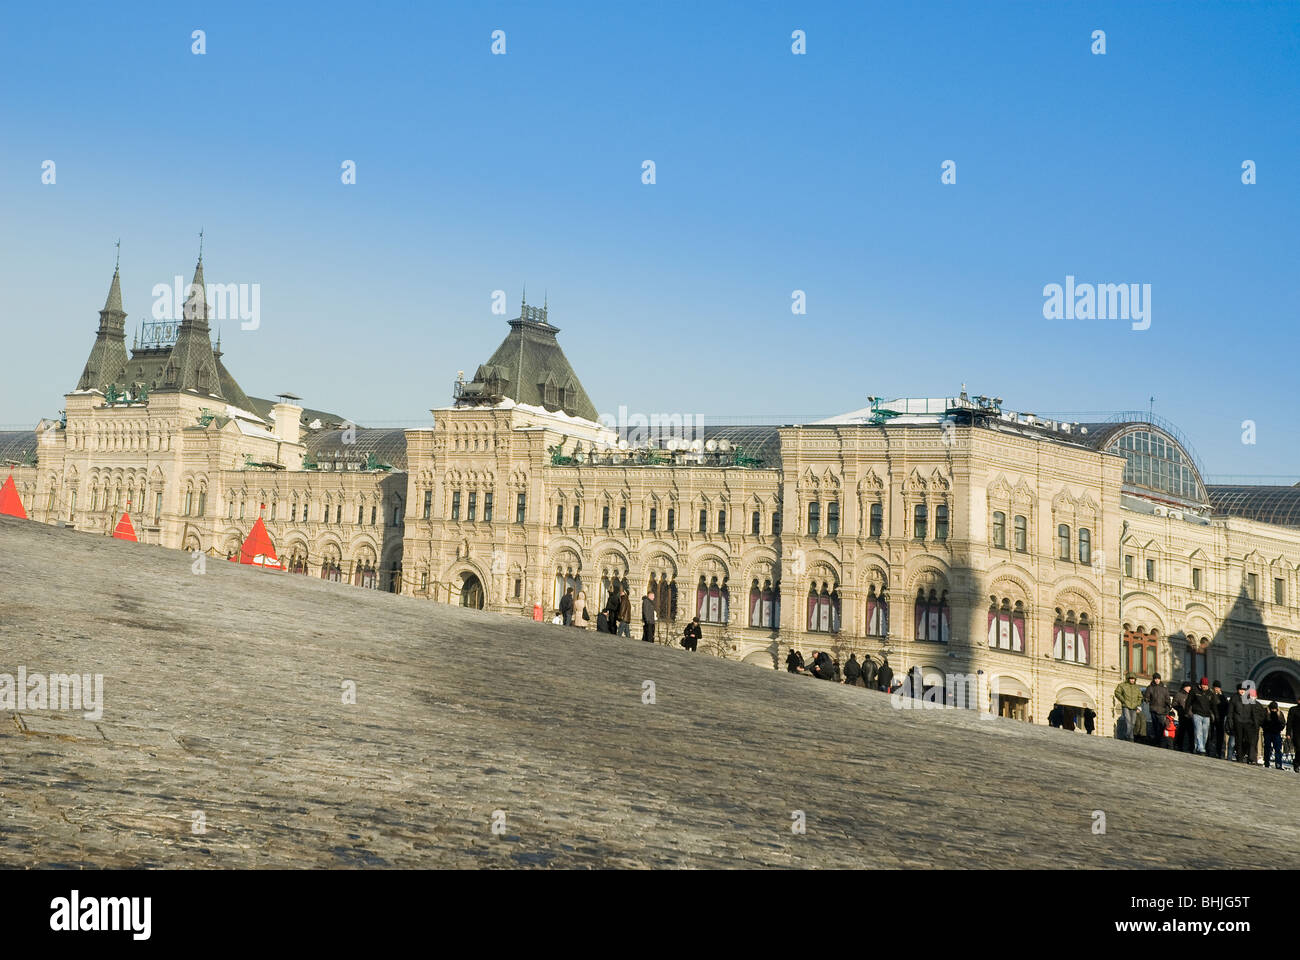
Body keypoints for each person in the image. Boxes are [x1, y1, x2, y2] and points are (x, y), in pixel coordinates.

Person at [1186, 677, 1215, 755]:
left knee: (1205, 733)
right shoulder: (1194, 691)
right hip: (1197, 714)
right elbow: (1188, 701)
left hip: (1206, 716)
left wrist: (1216, 715)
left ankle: (1197, 747)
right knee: (1198, 731)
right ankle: (1201, 748)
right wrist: (1186, 711)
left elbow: (1213, 705)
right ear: (1200, 685)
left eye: (1206, 685)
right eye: (1203, 685)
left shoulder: (1210, 693)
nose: (1205, 686)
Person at [1142, 673, 1172, 747]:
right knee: (1155, 726)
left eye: (1158, 679)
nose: (1157, 680)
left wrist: (1169, 707)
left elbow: (1167, 699)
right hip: (1153, 709)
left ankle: (1161, 741)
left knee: (1161, 726)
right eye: (1155, 679)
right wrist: (1146, 699)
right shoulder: (1150, 687)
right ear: (1153, 679)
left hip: (1162, 710)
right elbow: (1147, 696)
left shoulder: (1164, 689)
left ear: (1160, 679)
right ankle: (1157, 741)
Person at [1113, 672, 1143, 741]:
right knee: (1128, 721)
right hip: (1126, 706)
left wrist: (1138, 704)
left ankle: (1129, 736)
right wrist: (1123, 700)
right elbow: (1117, 692)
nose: (1132, 680)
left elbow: (1140, 697)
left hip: (1134, 707)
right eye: (1131, 679)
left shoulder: (1137, 688)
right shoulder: (1122, 685)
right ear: (1128, 679)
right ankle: (1129, 737)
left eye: (1133, 679)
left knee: (1133, 722)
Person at [1172, 681, 1194, 752]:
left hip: (1191, 716)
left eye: (1190, 687)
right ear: (1184, 687)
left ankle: (1191, 748)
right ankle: (1179, 746)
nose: (1189, 688)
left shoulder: (1191, 695)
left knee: (1191, 733)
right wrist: (1180, 710)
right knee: (1181, 732)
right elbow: (1174, 704)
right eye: (1188, 687)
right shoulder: (1178, 694)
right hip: (1182, 716)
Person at [1262, 701, 1286, 769]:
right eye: (1272, 709)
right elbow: (1262, 721)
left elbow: (1283, 723)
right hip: (1268, 733)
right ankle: (1266, 763)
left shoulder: (1279, 713)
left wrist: (1279, 729)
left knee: (1278, 749)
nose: (1273, 710)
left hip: (1276, 733)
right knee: (1267, 748)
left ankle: (1278, 764)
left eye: (1274, 709)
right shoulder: (1266, 712)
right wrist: (1266, 727)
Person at [1209, 681, 1228, 759]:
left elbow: (1226, 706)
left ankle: (1219, 751)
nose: (1217, 689)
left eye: (1218, 688)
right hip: (1212, 717)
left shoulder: (1223, 696)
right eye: (1216, 688)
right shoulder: (1210, 695)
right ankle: (1210, 750)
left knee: (1220, 736)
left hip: (1220, 718)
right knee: (1211, 734)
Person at [1288, 703, 1300, 773]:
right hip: (1297, 733)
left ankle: (1297, 762)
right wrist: (1288, 733)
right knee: (1298, 749)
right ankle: (1296, 763)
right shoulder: (1293, 710)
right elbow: (1289, 722)